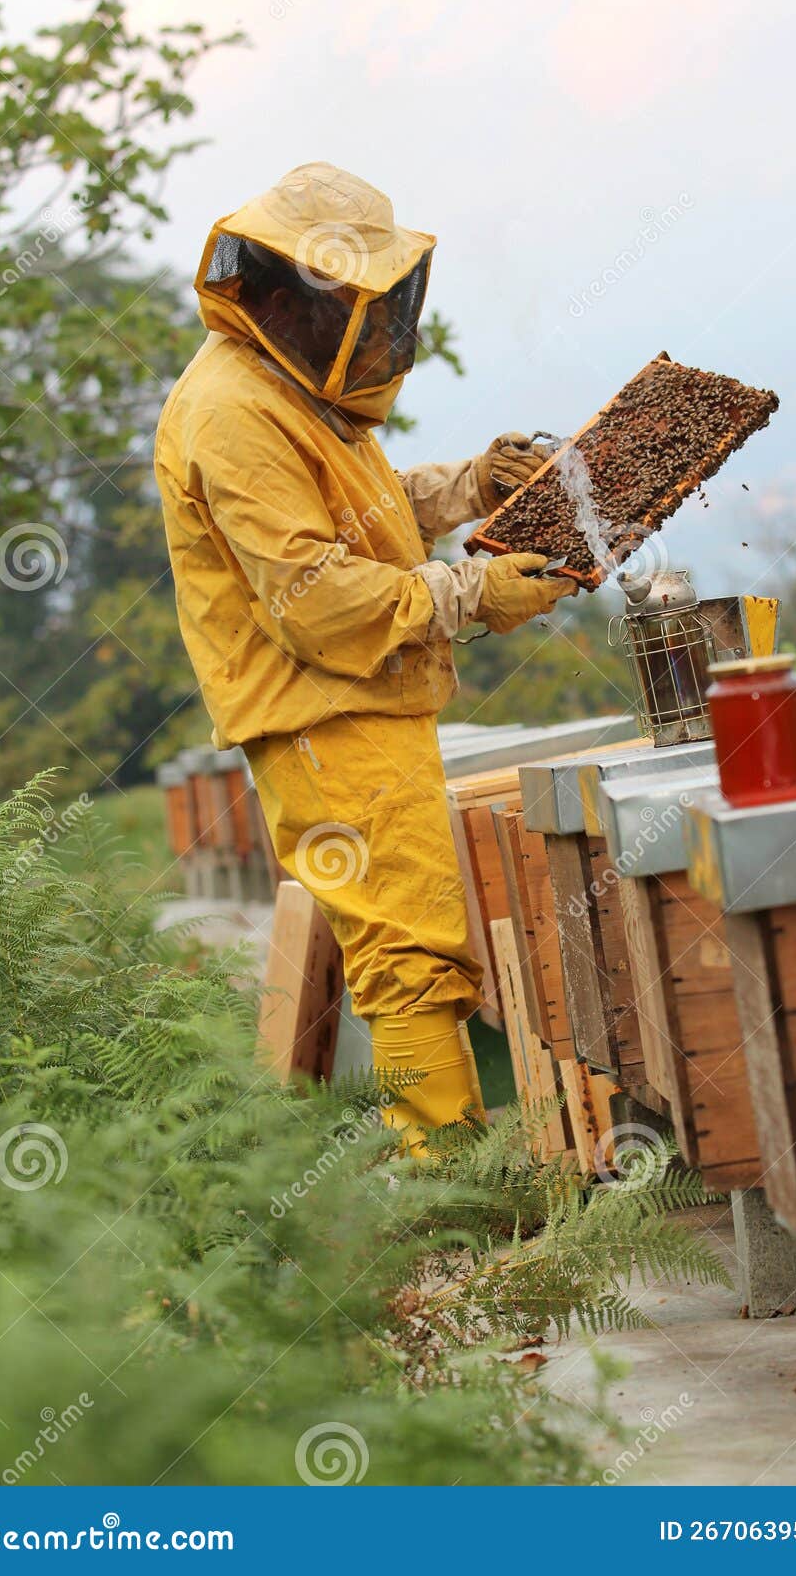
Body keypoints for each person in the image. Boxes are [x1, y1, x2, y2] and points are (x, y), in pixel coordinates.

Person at [155, 162, 576, 1146]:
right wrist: (470, 592)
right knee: (410, 963)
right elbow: (321, 601)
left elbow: (362, 514)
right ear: (275, 293)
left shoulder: (281, 386)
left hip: (354, 715)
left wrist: (469, 485)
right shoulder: (231, 411)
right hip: (322, 717)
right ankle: (457, 1208)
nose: (358, 321)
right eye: (336, 301)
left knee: (415, 954)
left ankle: (460, 1199)